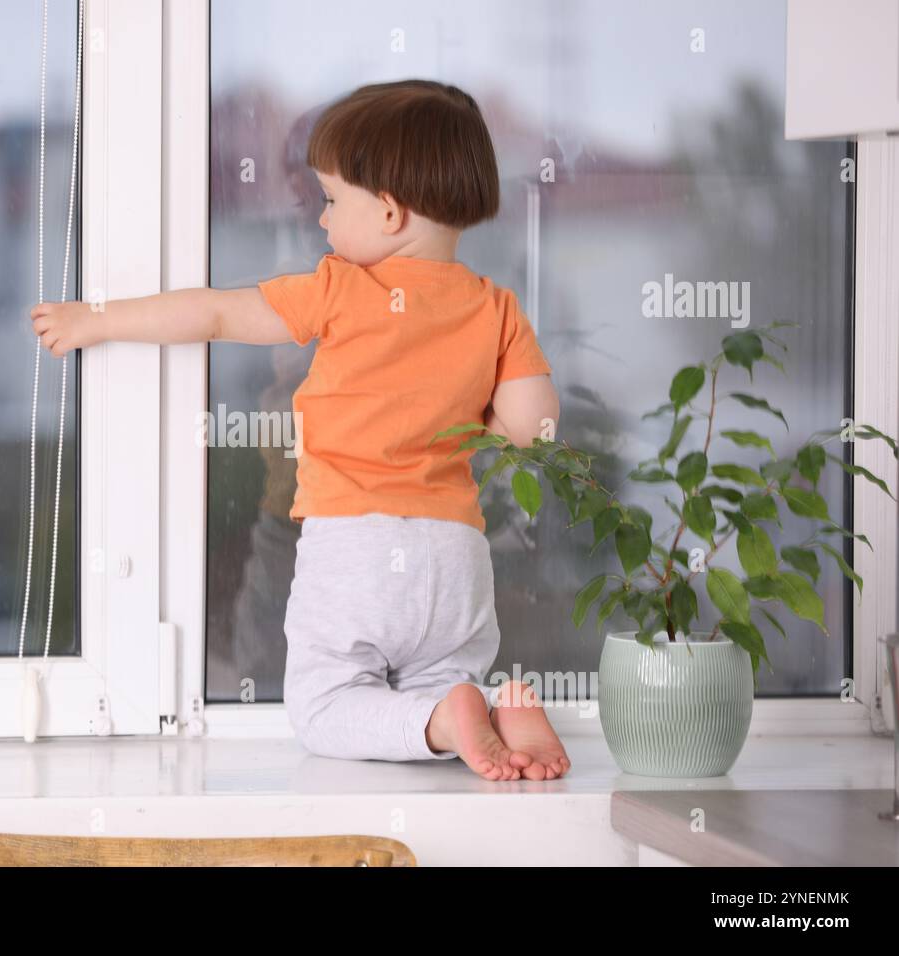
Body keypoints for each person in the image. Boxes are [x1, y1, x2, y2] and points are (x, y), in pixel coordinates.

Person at [31, 79, 570, 781]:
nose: (321, 221)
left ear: (388, 212)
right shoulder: (494, 307)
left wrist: (97, 321)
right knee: (435, 678)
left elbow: (216, 315)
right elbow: (535, 428)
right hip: (453, 553)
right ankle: (501, 711)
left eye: (330, 201)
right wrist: (477, 411)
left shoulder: (342, 286)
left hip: (356, 544)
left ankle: (448, 719)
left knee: (321, 705)